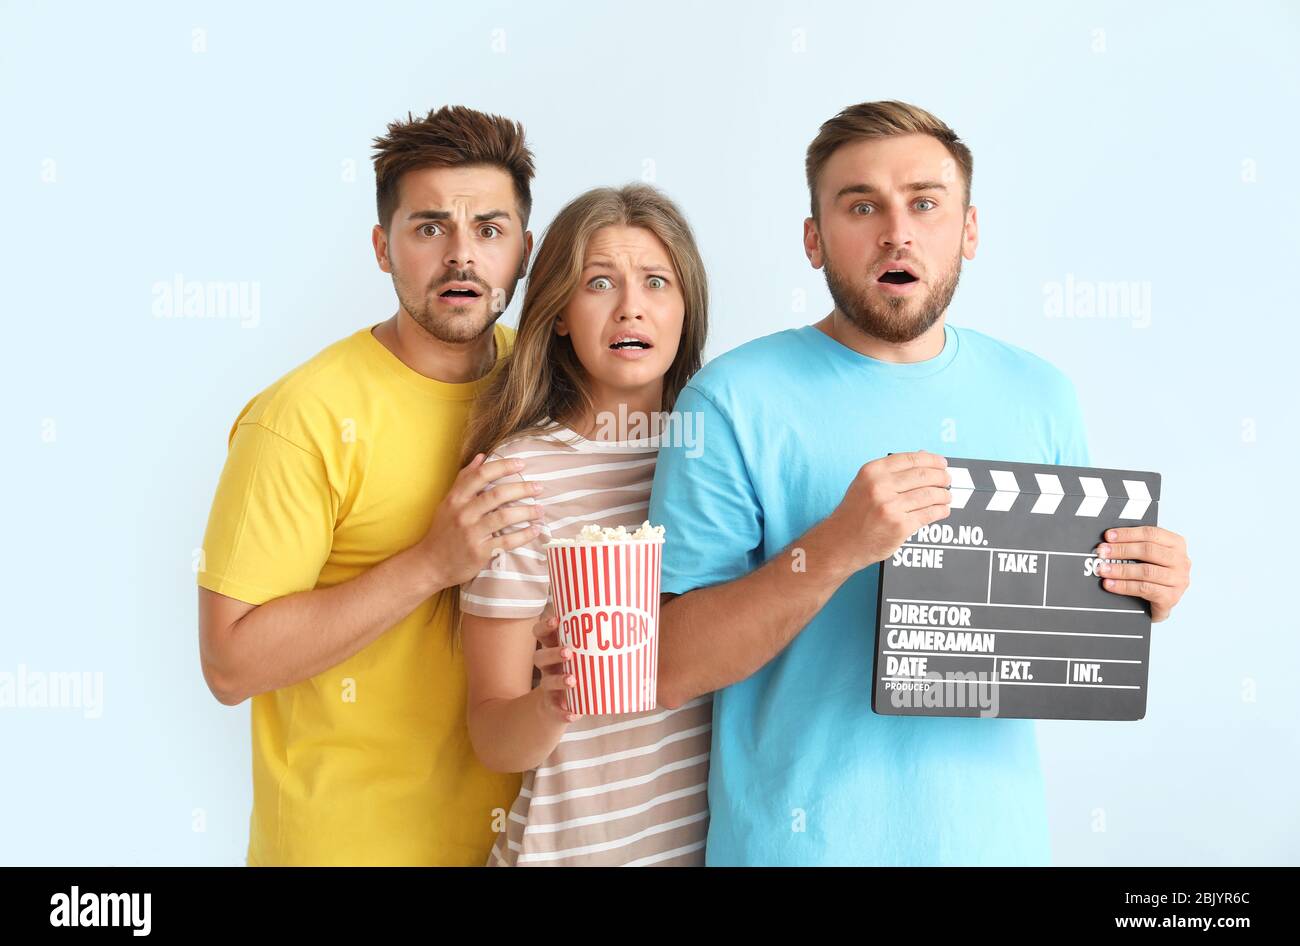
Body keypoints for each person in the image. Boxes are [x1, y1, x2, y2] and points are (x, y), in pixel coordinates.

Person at [642, 100, 1192, 865]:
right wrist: (836, 547)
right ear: (813, 238)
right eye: (861, 205)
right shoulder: (731, 400)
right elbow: (668, 666)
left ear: (969, 230)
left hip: (996, 848)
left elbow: (1067, 624)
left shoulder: (1042, 395)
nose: (896, 233)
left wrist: (1143, 590)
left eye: (925, 203)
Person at [196, 105, 545, 865]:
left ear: (524, 249)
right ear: (384, 248)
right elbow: (229, 664)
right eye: (429, 228)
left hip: (518, 850)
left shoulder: (545, 388)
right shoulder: (301, 418)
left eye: (489, 229)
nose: (461, 256)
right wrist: (430, 563)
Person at [457, 183, 712, 865]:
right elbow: (491, 732)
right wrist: (552, 703)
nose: (631, 306)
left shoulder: (720, 454)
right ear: (562, 314)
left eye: (656, 282)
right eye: (599, 283)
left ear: (685, 308)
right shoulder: (517, 478)